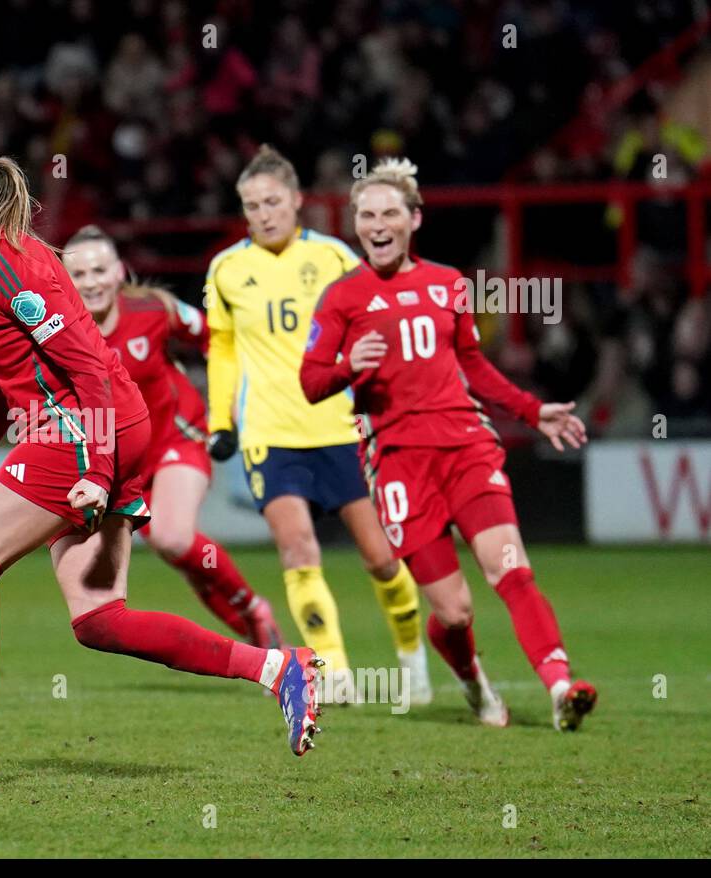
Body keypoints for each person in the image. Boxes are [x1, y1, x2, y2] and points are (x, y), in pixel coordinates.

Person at [0, 144, 323, 789]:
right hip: (89, 432)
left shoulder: (12, 268)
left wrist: (97, 464)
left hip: (85, 433)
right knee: (99, 622)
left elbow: (88, 367)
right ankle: (277, 669)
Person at [300, 157, 596, 731]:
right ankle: (471, 680)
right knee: (454, 613)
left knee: (511, 568)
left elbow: (473, 365)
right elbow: (311, 383)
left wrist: (534, 411)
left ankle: (561, 685)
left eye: (389, 213)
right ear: (356, 224)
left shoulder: (448, 284)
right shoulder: (342, 298)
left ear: (414, 219)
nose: (377, 224)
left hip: (466, 448)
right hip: (400, 466)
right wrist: (345, 369)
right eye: (366, 215)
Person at [204, 145, 429, 704]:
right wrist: (219, 418)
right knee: (298, 551)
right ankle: (336, 674)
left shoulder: (334, 259)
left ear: (297, 200)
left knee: (380, 556)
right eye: (252, 205)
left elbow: (375, 323)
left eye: (273, 202)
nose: (263, 214)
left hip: (339, 425)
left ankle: (411, 655)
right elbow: (222, 349)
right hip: (269, 434)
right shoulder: (227, 269)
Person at [62, 225, 284, 649]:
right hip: (125, 468)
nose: (91, 281)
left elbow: (218, 337)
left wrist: (228, 407)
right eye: (80, 274)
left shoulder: (154, 310)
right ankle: (264, 652)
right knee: (180, 556)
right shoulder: (59, 335)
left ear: (119, 271)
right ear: (65, 282)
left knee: (172, 537)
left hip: (177, 436)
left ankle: (253, 608)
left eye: (99, 269)